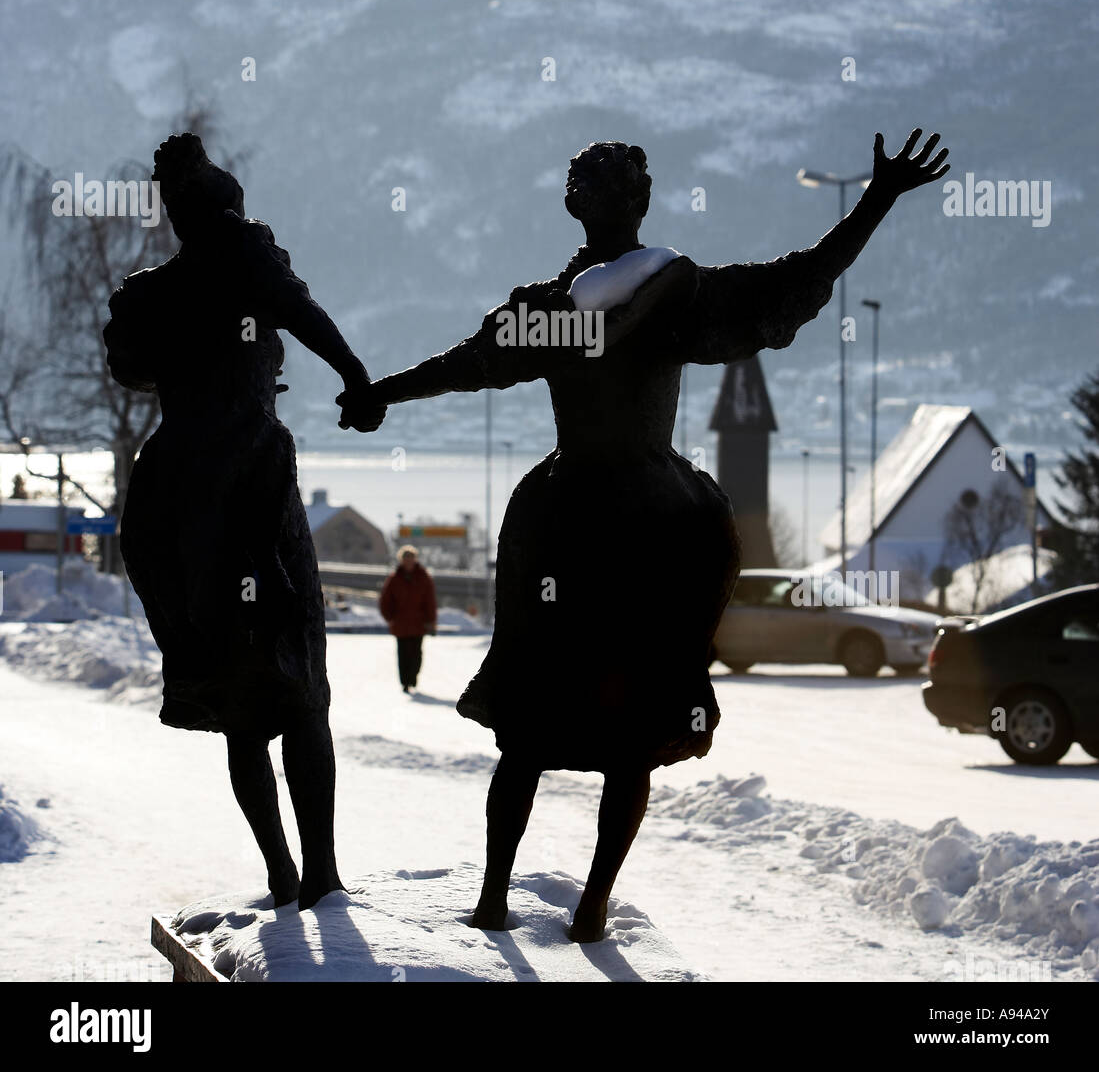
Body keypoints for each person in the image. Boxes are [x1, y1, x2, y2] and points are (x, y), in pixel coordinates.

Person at [342, 128, 948, 942]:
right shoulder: (663, 295)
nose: (620, 200)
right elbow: (791, 282)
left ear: (586, 206)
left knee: (533, 727)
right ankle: (572, 902)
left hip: (569, 509)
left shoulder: (559, 310)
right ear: (622, 204)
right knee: (619, 726)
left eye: (619, 188)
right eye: (616, 189)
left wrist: (382, 393)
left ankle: (508, 897)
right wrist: (874, 201)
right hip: (650, 512)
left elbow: (469, 363)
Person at [104, 133, 384, 911]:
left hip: (170, 487)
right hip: (249, 474)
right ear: (226, 212)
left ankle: (281, 872)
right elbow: (302, 312)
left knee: (237, 706)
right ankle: (319, 873)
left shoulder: (150, 294)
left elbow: (130, 366)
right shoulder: (248, 262)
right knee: (302, 691)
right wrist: (357, 377)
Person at [379, 546, 438, 692]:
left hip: (419, 623)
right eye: (406, 559)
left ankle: (413, 677)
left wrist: (431, 620)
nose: (408, 561)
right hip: (400, 623)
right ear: (402, 560)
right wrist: (389, 616)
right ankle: (405, 682)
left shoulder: (424, 577)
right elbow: (385, 600)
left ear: (415, 559)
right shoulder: (394, 578)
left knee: (416, 653)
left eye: (411, 558)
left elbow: (430, 601)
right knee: (403, 653)